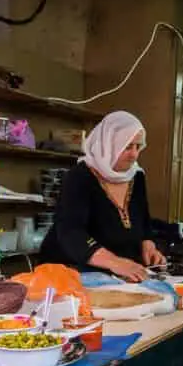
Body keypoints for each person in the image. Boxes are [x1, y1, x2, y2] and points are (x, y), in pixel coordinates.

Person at [38, 111, 166, 282]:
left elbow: (143, 222)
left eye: (138, 147)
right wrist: (115, 262)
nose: (134, 155)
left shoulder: (136, 176)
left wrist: (148, 245)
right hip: (71, 270)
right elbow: (71, 232)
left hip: (117, 275)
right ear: (108, 145)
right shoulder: (80, 177)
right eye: (127, 147)